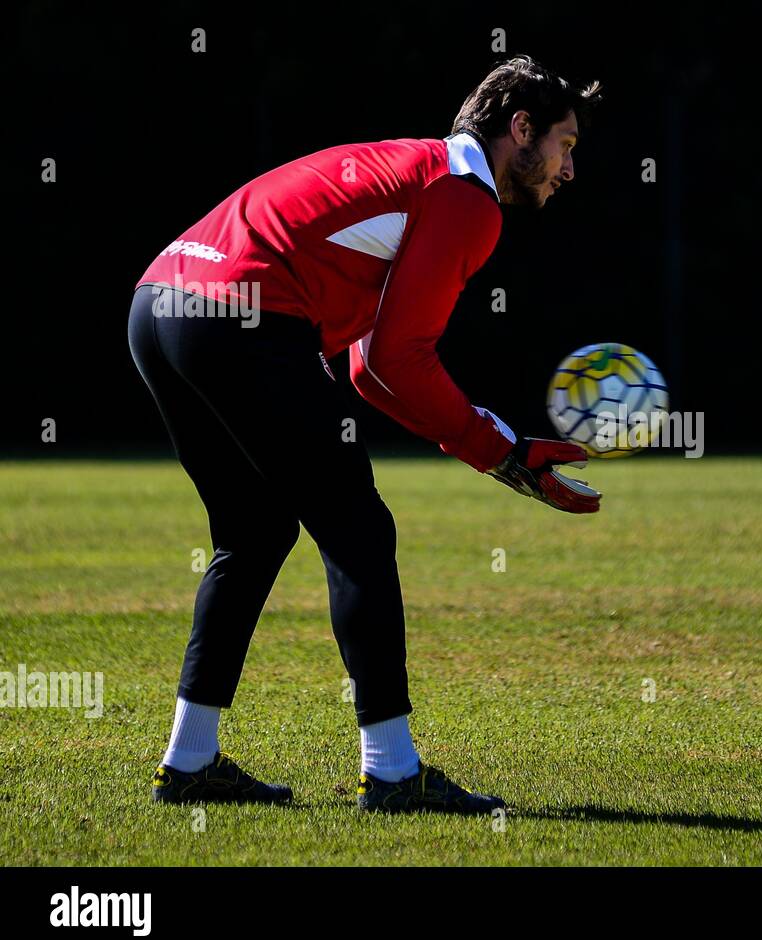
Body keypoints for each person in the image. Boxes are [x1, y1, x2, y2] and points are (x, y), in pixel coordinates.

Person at [127, 55, 603, 814]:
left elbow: (368, 368)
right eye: (566, 144)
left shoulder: (414, 169)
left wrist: (492, 449)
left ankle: (189, 761)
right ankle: (391, 772)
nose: (568, 168)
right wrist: (504, 453)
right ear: (521, 130)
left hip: (158, 305)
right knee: (357, 529)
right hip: (237, 319)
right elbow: (395, 361)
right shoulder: (467, 198)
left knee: (252, 535)